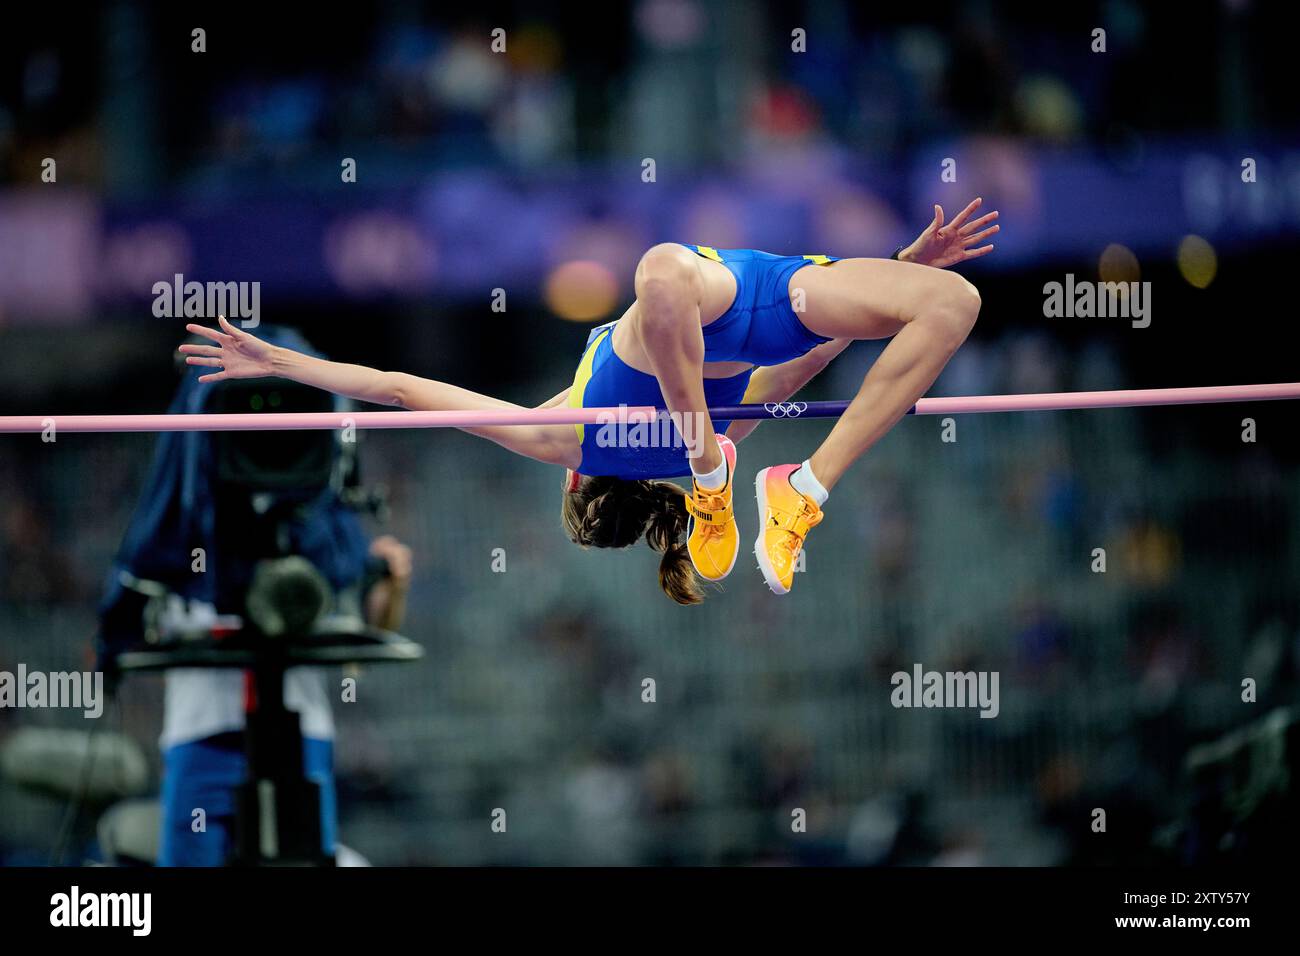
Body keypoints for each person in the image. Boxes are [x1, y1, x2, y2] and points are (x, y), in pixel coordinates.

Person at [181, 200, 995, 603]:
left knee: (946, 301)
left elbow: (802, 370)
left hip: (752, 315)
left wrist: (888, 289)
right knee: (946, 301)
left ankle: (765, 482)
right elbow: (399, 390)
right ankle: (805, 487)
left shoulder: (580, 436)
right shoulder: (565, 442)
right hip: (756, 295)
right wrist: (276, 359)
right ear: (576, 487)